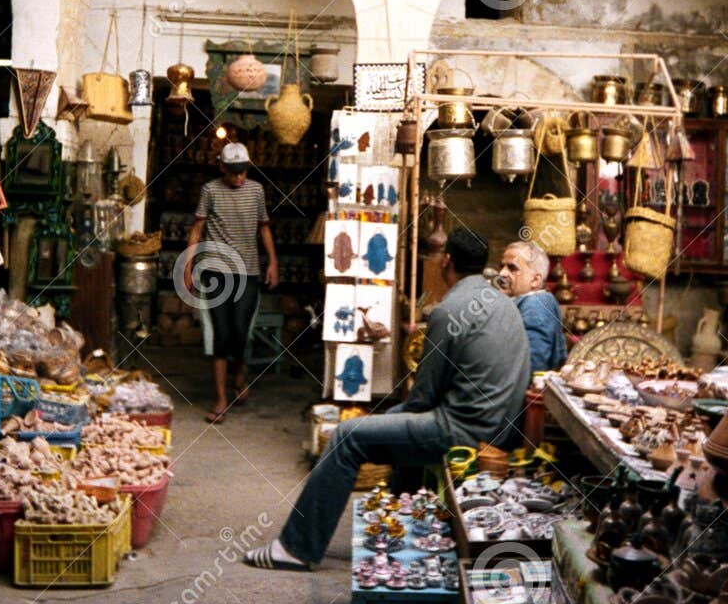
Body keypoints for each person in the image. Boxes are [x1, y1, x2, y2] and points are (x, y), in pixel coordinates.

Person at [244, 229, 528, 571]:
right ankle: (395, 528)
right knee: (394, 421)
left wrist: (392, 418)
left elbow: (422, 398)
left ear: (447, 261)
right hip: (501, 426)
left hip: (465, 430)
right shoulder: (503, 302)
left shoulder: (449, 310)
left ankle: (296, 548)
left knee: (348, 435)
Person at [183, 141, 278, 423]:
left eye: (243, 171)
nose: (239, 178)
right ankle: (221, 398)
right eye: (233, 172)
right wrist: (188, 266)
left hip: (248, 272)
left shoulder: (256, 190)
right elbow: (197, 229)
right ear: (221, 166)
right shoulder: (210, 190)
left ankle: (239, 373)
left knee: (240, 331)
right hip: (216, 272)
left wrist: (273, 262)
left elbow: (264, 228)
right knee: (221, 335)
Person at [497, 239, 567, 375]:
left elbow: (533, 365)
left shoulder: (535, 305)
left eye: (512, 268)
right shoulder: (531, 301)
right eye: (502, 266)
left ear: (535, 280)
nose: (502, 273)